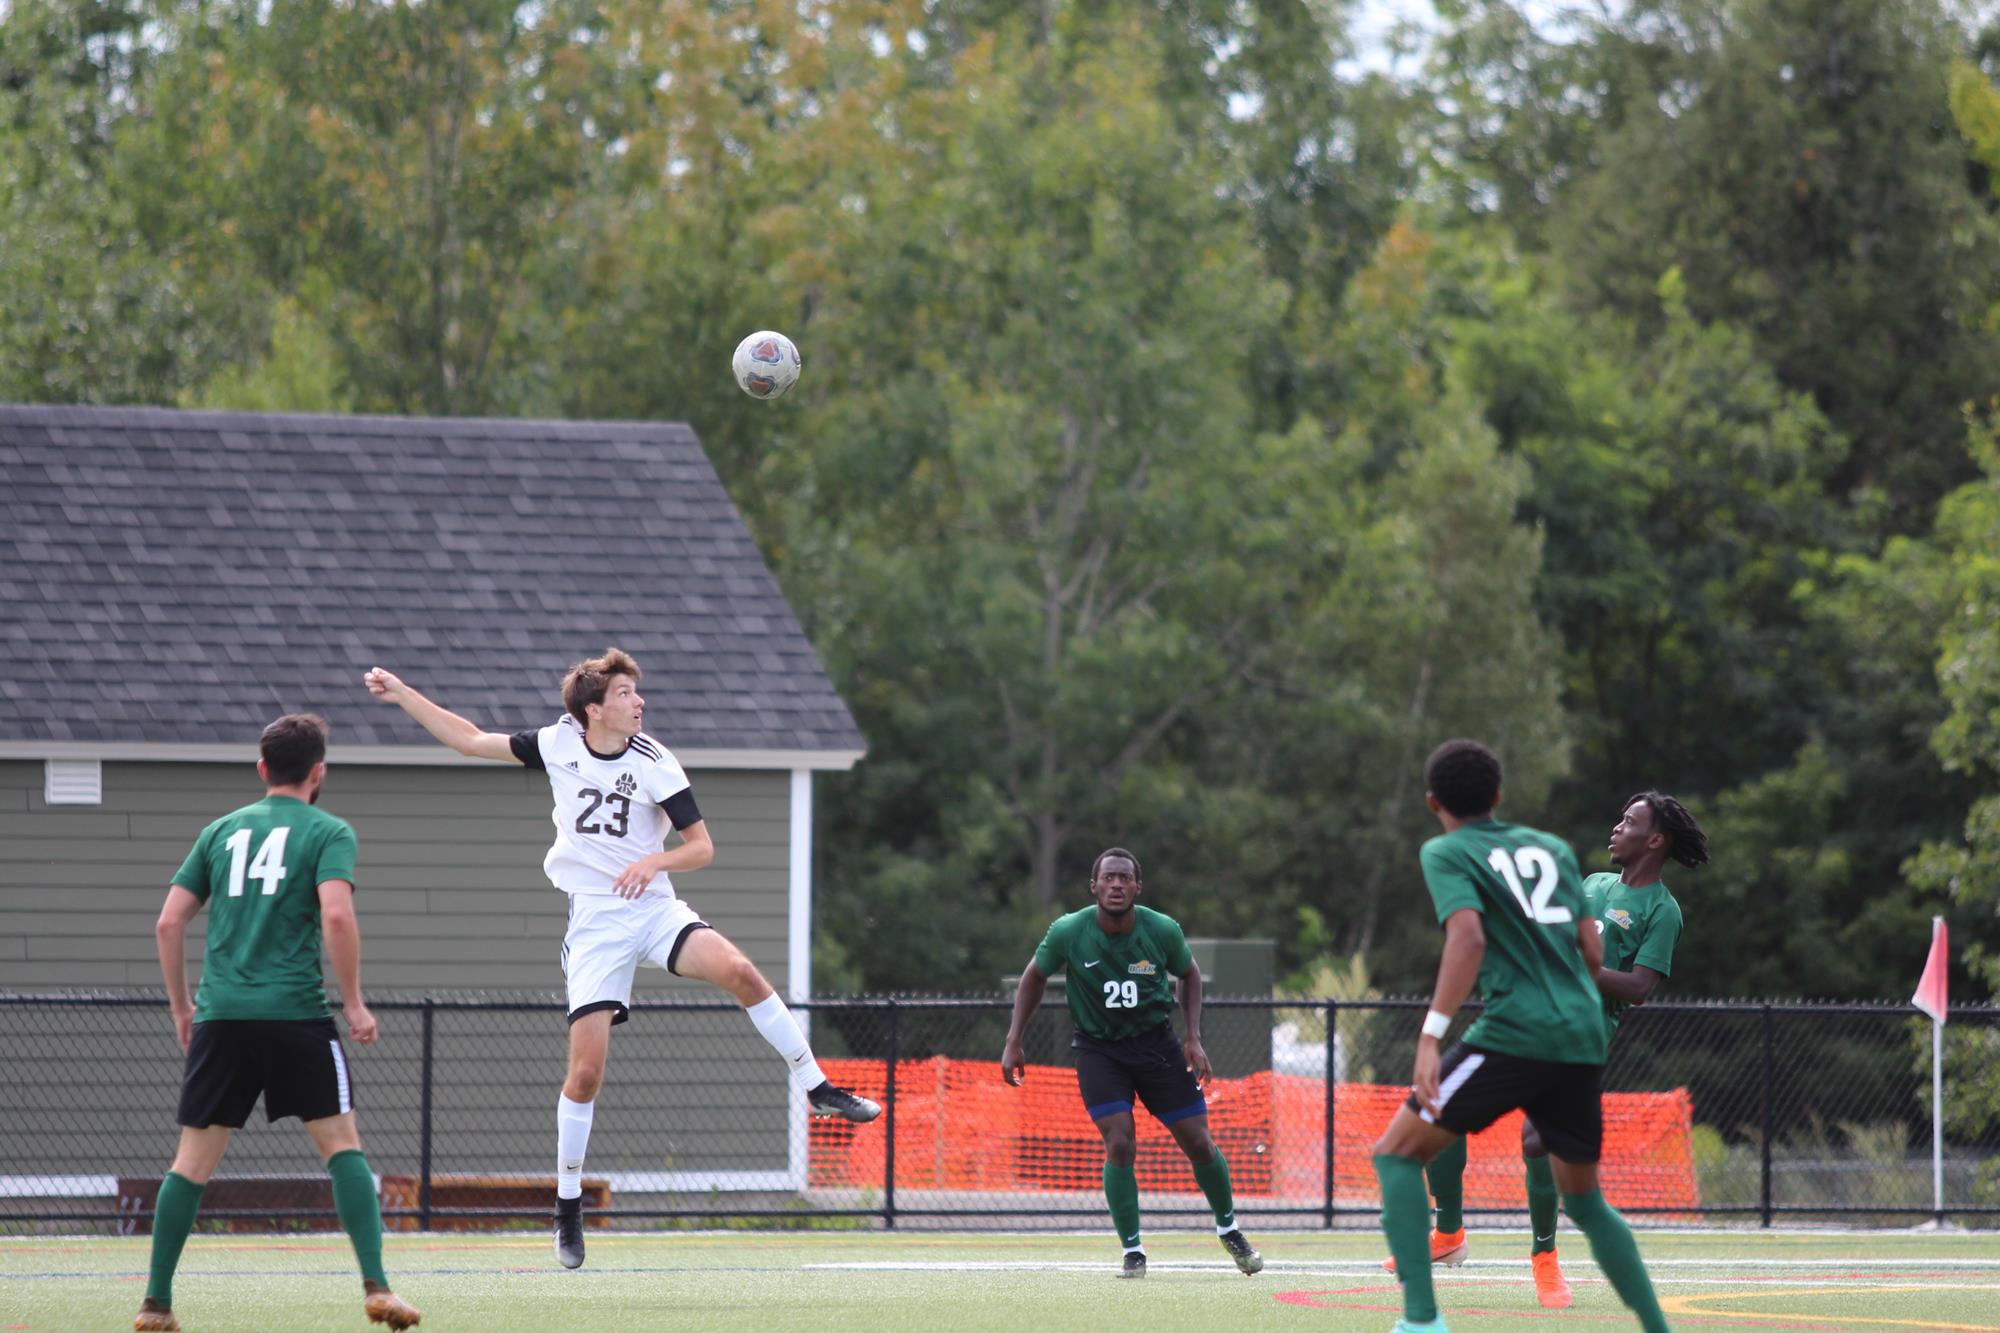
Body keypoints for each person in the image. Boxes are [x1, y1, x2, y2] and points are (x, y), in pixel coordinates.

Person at [362, 650, 879, 1271]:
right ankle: (569, 1203)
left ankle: (817, 1086)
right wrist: (403, 693)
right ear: (593, 709)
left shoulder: (655, 760)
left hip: (655, 908)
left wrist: (653, 862)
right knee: (586, 1073)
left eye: (638, 692)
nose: (640, 702)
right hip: (597, 921)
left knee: (742, 972)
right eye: (628, 693)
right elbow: (470, 740)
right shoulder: (556, 743)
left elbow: (702, 848)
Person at [1372, 740, 1670, 1333]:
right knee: (1585, 1200)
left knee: (1395, 1156)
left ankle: (1422, 1321)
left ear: (1434, 802)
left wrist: (1430, 1036)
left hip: (1516, 1028)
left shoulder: (1446, 850)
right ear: (1499, 797)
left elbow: (1469, 941)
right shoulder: (1553, 848)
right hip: (1584, 1034)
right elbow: (1590, 950)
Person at [136, 715, 420, 1332]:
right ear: (319, 773)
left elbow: (167, 923)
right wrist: (354, 1002)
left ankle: (156, 1304)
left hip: (223, 1020)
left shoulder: (219, 832)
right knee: (341, 1146)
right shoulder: (329, 831)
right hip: (295, 1015)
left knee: (190, 1165)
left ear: (262, 769)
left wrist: (183, 1008)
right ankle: (377, 1287)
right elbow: (337, 918)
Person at [1001, 848, 1263, 1280]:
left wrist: (1192, 1036)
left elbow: (1190, 974)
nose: (1117, 884)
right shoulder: (1069, 930)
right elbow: (1034, 975)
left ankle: (1229, 1228)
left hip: (1157, 1046)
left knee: (1199, 1142)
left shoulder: (1161, 929)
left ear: (1138, 887)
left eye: (1125, 877)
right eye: (1109, 878)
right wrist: (1014, 1039)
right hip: (1099, 1050)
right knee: (1120, 1141)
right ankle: (1133, 1251)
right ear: (1095, 886)